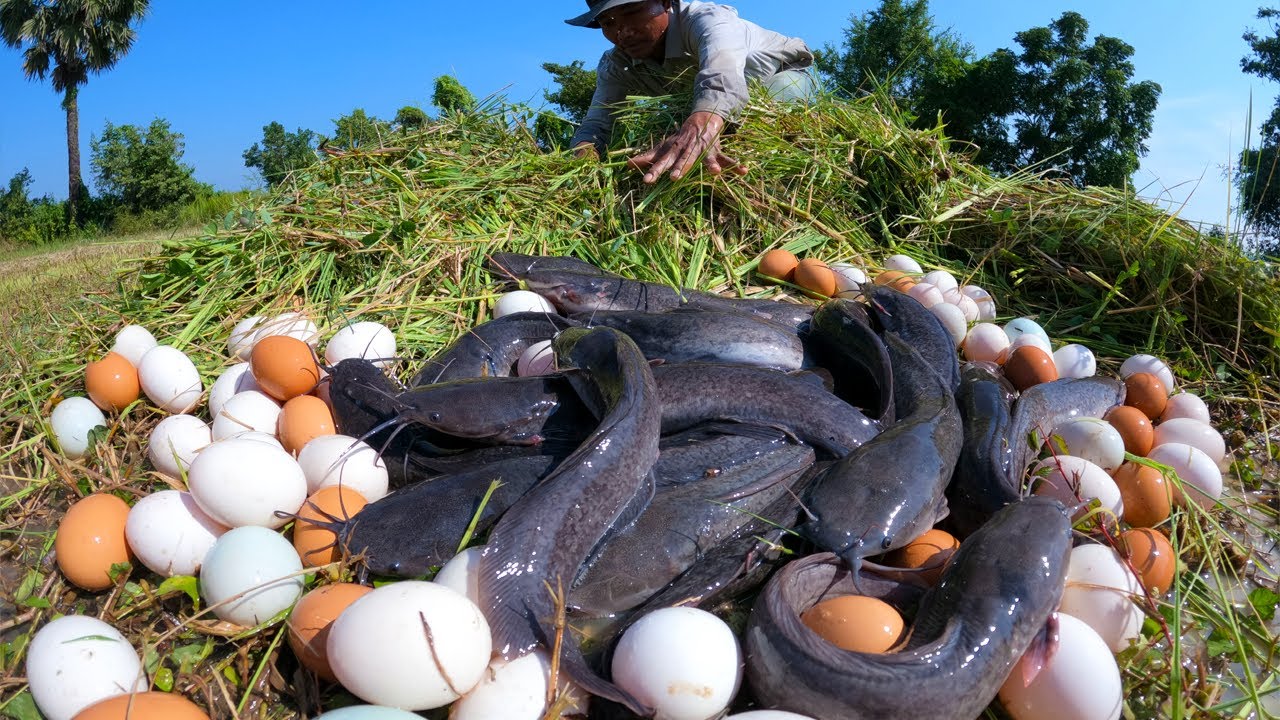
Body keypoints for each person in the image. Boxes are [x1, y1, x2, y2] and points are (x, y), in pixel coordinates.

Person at [565, 0, 817, 183]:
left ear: (665, 2)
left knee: (779, 102)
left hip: (776, 80)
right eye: (608, 23)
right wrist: (584, 162)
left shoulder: (708, 20)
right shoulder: (616, 64)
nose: (624, 31)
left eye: (632, 12)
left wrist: (701, 126)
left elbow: (721, 75)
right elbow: (597, 124)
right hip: (703, 106)